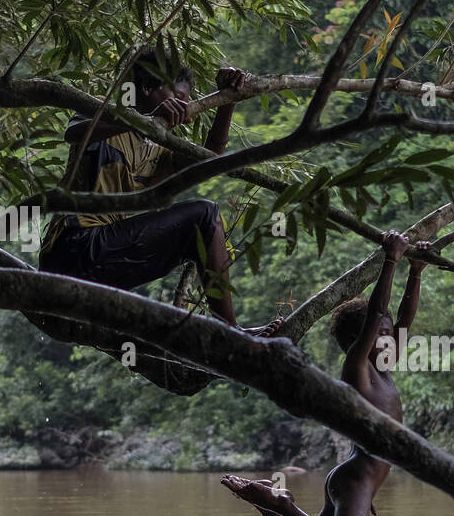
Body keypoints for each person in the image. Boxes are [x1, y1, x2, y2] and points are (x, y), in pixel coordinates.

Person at [221, 230, 431, 516]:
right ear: (357, 340)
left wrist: (417, 271)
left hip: (360, 478)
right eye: (380, 333)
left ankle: (266, 504)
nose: (389, 336)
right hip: (357, 477)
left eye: (389, 333)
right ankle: (284, 504)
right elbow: (378, 313)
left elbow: (403, 319)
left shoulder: (384, 367)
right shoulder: (358, 368)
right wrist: (391, 259)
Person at [39, 46, 280, 334]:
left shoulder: (157, 150)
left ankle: (225, 333)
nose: (185, 112)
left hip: (103, 261)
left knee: (203, 224)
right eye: (179, 99)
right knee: (205, 214)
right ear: (147, 87)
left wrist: (228, 100)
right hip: (71, 250)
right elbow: (75, 132)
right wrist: (144, 118)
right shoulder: (105, 112)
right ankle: (230, 334)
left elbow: (209, 161)